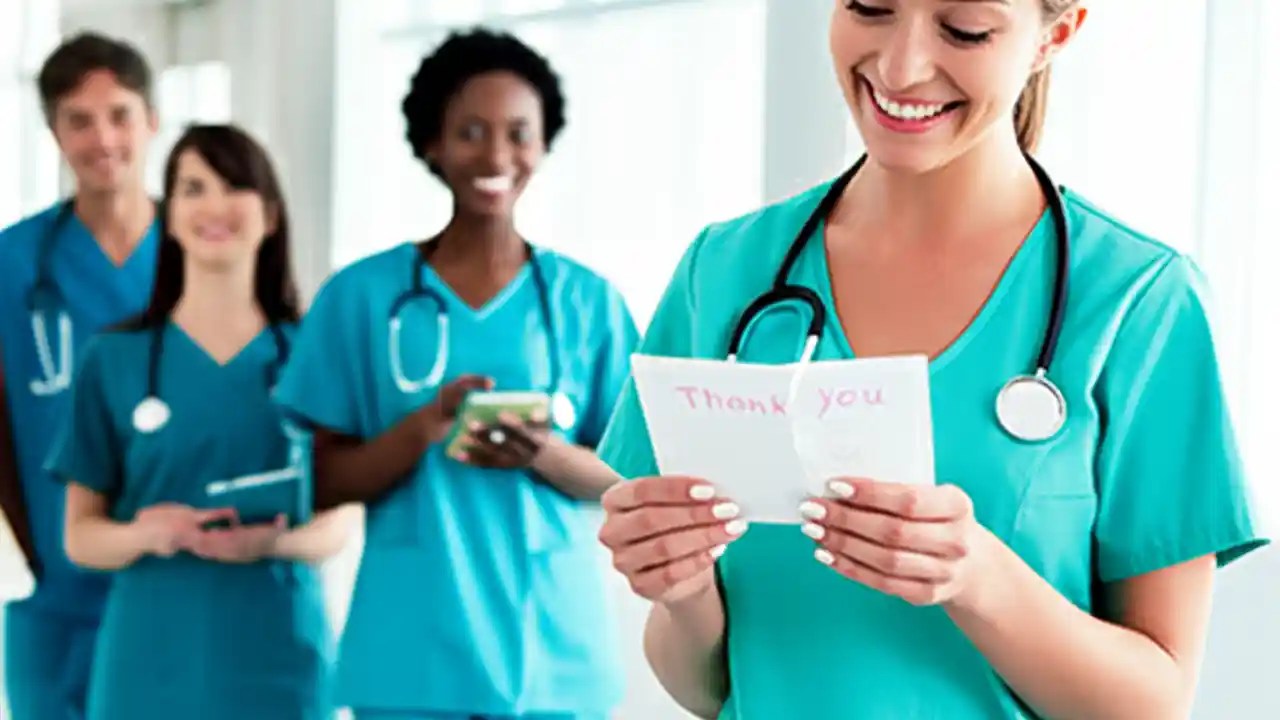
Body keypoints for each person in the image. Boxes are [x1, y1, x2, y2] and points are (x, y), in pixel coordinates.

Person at [596, 2, 1268, 719]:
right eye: (870, 8)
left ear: (1055, 34)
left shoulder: (1139, 300)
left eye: (966, 29)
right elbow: (709, 689)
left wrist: (976, 577)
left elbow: (1154, 704)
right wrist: (683, 592)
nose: (901, 66)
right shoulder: (724, 273)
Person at [273, 28, 636, 720]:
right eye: (471, 131)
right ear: (431, 142)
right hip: (411, 651)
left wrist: (548, 456)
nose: (497, 154)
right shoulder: (362, 298)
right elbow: (318, 482)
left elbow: (633, 477)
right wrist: (419, 431)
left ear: (543, 143)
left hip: (551, 654)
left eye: (518, 132)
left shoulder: (588, 302)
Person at [45, 124, 359, 719]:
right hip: (149, 659)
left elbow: (335, 526)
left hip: (279, 654)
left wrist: (269, 542)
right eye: (192, 188)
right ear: (169, 215)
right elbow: (80, 536)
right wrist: (149, 533)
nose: (213, 205)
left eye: (234, 185)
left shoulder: (313, 355)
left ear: (269, 216)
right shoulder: (113, 360)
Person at [0, 32, 161, 720]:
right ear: (53, 131)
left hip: (175, 587)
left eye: (119, 114)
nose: (102, 139)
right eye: (79, 119)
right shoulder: (14, 262)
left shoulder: (201, 252)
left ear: (152, 119)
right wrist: (35, 550)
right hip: (58, 594)